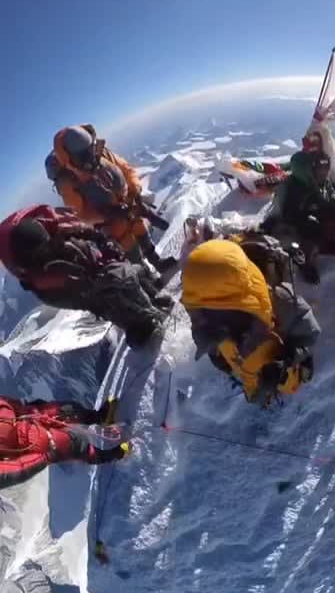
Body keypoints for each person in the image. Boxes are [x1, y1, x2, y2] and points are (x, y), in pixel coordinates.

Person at [0, 206, 170, 348]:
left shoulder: (54, 228)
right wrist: (95, 284)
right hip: (70, 286)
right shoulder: (42, 278)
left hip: (81, 258)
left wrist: (99, 238)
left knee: (121, 273)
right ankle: (139, 323)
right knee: (103, 299)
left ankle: (149, 298)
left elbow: (80, 229)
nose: (49, 248)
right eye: (43, 250)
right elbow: (84, 295)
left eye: (49, 243)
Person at [181, 239, 317, 403]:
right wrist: (219, 357)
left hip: (287, 380)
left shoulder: (281, 302)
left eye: (219, 312)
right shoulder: (214, 328)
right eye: (206, 312)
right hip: (255, 381)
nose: (214, 320)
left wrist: (286, 358)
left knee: (291, 386)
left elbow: (310, 336)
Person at [45, 124, 177, 279]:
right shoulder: (67, 182)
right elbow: (79, 214)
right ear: (69, 159)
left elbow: (126, 169)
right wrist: (107, 213)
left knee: (140, 229)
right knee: (129, 248)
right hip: (111, 221)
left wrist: (135, 190)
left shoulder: (102, 153)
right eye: (84, 155)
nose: (91, 156)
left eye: (90, 150)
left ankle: (157, 262)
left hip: (129, 203)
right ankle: (147, 278)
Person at [0, 395, 129, 491]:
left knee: (69, 411)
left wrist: (25, 408)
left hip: (29, 416)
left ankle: (101, 417)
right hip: (33, 444)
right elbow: (15, 471)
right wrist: (44, 457)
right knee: (75, 445)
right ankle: (116, 454)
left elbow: (5, 404)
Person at [262, 150, 335, 283]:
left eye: (325, 168)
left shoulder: (317, 180)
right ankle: (307, 264)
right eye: (319, 168)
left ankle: (329, 243)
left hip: (311, 211)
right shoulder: (294, 186)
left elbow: (329, 189)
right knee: (312, 226)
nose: (323, 172)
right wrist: (315, 208)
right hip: (292, 221)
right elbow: (290, 213)